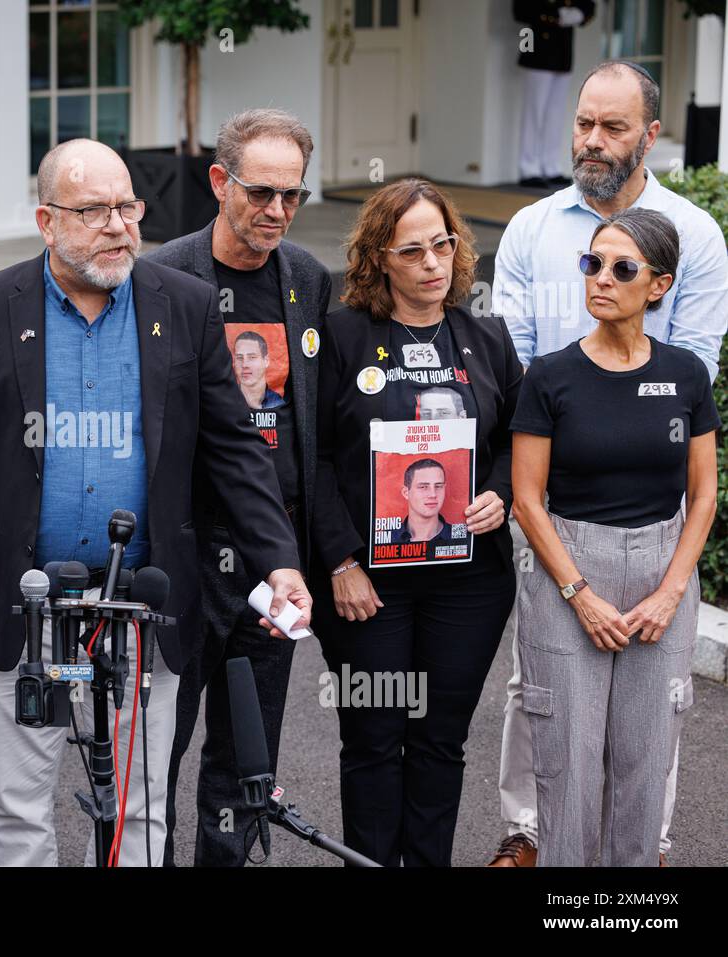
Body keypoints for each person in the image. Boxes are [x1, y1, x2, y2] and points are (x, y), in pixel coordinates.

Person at [0, 138, 310, 867]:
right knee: (18, 810)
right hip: (22, 601)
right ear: (47, 219)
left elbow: (234, 448)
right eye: (94, 210)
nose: (119, 225)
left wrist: (279, 560)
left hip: (143, 607)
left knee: (138, 809)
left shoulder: (182, 305)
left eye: (128, 207)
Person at [489, 59, 728, 867]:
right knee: (545, 691)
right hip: (554, 496)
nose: (592, 139)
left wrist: (668, 579)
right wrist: (560, 420)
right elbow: (511, 361)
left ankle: (642, 850)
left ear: (651, 136)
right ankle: (533, 836)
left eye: (613, 126)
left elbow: (686, 379)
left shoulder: (693, 235)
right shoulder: (530, 229)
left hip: (652, 513)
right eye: (583, 121)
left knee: (653, 711)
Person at [313, 178, 522, 866]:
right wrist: (339, 559)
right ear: (378, 259)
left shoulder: (486, 336)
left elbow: (521, 439)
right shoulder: (341, 336)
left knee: (439, 740)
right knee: (372, 738)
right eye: (412, 251)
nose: (433, 263)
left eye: (443, 244)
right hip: (366, 584)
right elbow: (308, 454)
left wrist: (500, 493)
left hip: (467, 585)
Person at [145, 107, 331, 866]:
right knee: (156, 747)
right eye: (260, 193)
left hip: (270, 555)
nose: (277, 211)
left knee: (246, 756)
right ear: (220, 181)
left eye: (293, 195)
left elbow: (320, 423)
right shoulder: (161, 277)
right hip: (182, 551)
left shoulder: (310, 281)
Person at [513, 1, 596, 188]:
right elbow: (521, 11)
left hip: (563, 51)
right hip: (537, 48)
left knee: (556, 113)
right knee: (534, 113)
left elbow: (589, 6)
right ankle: (528, 168)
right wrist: (558, 15)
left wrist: (578, 14)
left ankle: (550, 165)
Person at [388, 459, 453, 546]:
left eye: (438, 486)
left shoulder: (459, 536)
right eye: (423, 487)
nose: (433, 494)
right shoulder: (388, 538)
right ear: (406, 493)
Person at [232, 331, 285, 409]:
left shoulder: (279, 404)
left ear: (266, 361)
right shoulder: (226, 402)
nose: (244, 365)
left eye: (252, 357)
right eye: (239, 358)